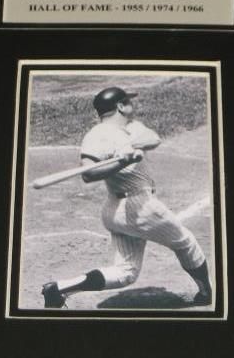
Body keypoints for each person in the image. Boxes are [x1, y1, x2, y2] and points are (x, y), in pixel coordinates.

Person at [41, 86, 212, 309]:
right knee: (186, 243)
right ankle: (205, 293)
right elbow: (89, 173)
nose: (133, 104)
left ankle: (58, 289)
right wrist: (121, 161)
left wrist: (130, 147)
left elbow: (154, 138)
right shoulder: (97, 136)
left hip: (118, 211)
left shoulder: (131, 128)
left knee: (125, 273)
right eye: (128, 101)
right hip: (139, 208)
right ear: (120, 106)